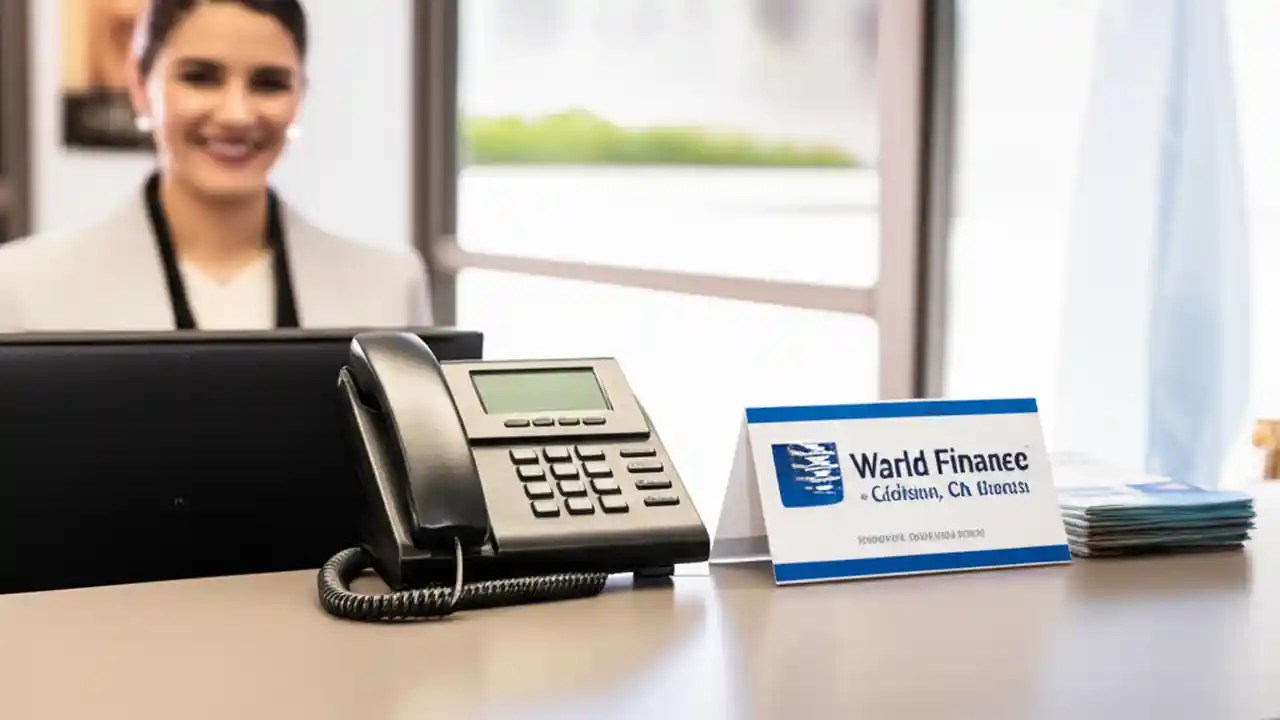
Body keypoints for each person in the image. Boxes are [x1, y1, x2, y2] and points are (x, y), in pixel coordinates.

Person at [0, 0, 432, 332]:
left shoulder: (391, 289)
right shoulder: (23, 289)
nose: (236, 114)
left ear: (300, 95)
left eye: (269, 83)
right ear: (140, 84)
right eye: (200, 77)